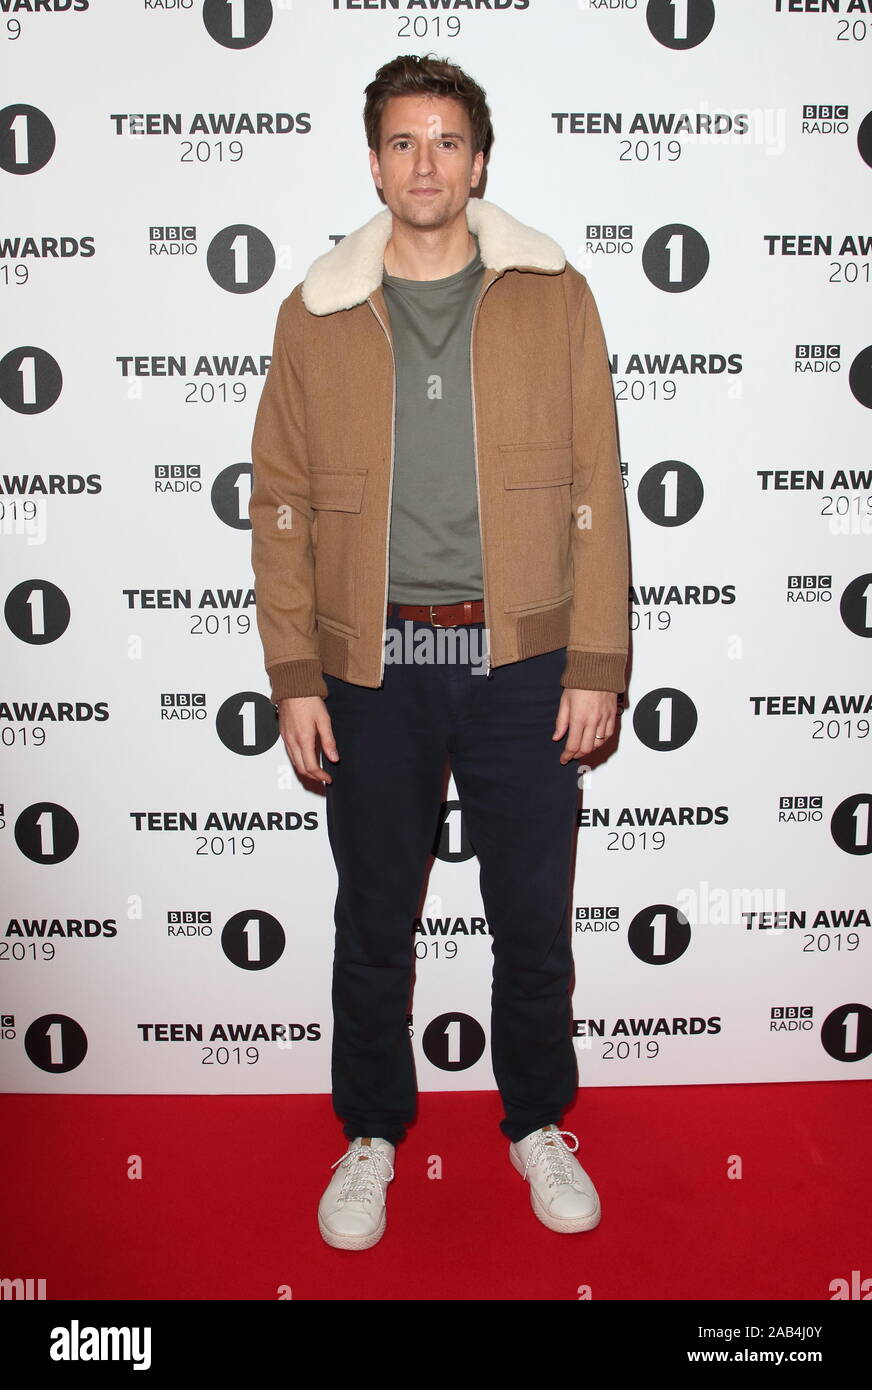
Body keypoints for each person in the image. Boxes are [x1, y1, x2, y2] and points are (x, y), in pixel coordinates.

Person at [249, 53, 630, 1250]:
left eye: (446, 141)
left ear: (478, 160)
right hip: (370, 672)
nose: (425, 163)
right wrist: (295, 674)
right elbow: (282, 500)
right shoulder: (314, 310)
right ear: (373, 161)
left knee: (531, 916)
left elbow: (594, 487)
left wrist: (594, 660)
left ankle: (532, 1121)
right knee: (373, 919)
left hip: (520, 665)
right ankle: (369, 1132)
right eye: (403, 143)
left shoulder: (551, 293)